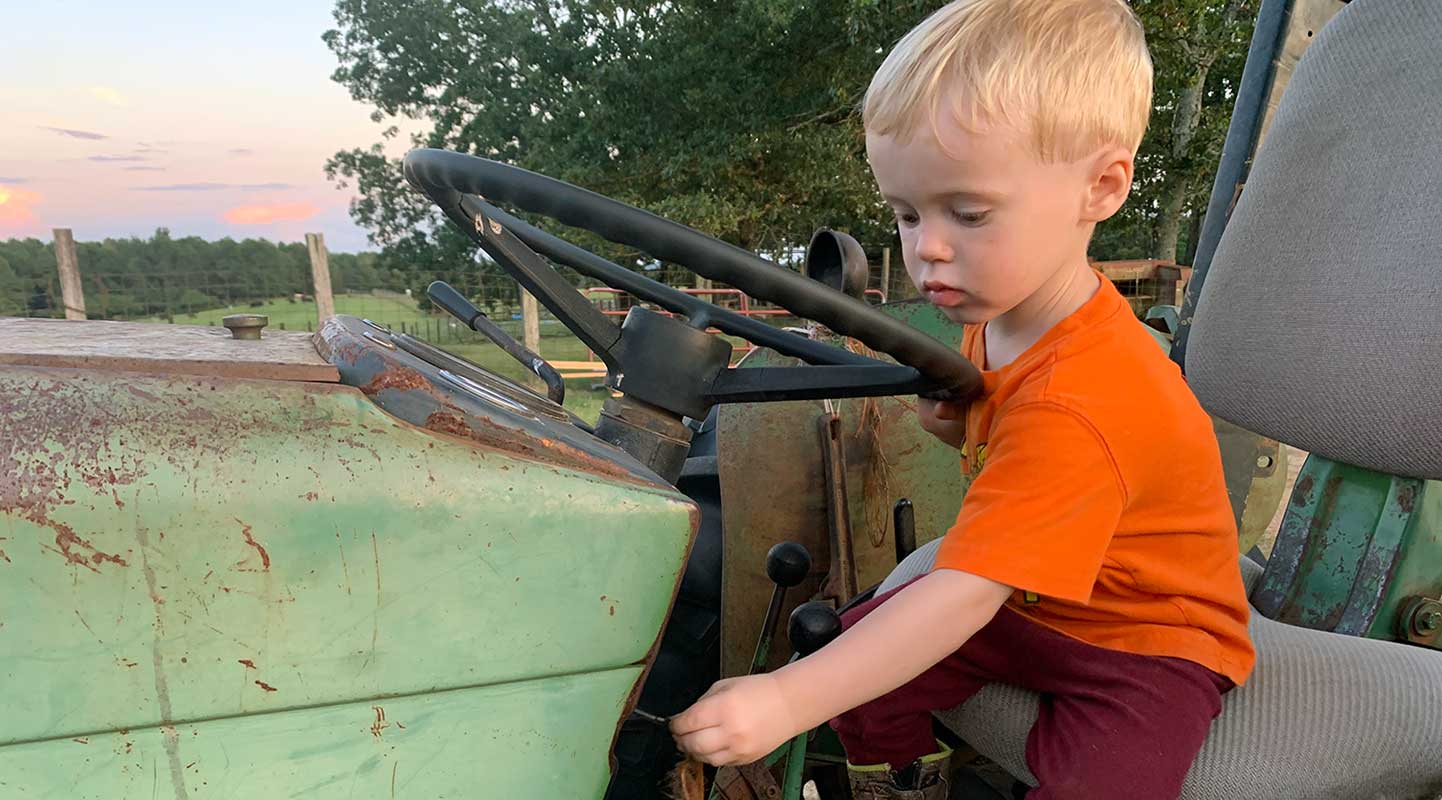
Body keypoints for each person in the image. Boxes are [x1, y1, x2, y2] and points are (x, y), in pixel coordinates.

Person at [669, 0, 1256, 797]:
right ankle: (907, 781)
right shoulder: (1001, 315)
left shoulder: (1085, 398)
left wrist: (788, 699)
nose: (928, 248)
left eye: (969, 213)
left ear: (1101, 187)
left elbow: (965, 592)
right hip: (1039, 601)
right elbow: (1014, 451)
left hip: (1143, 636)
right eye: (907, 214)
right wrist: (960, 427)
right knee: (858, 666)